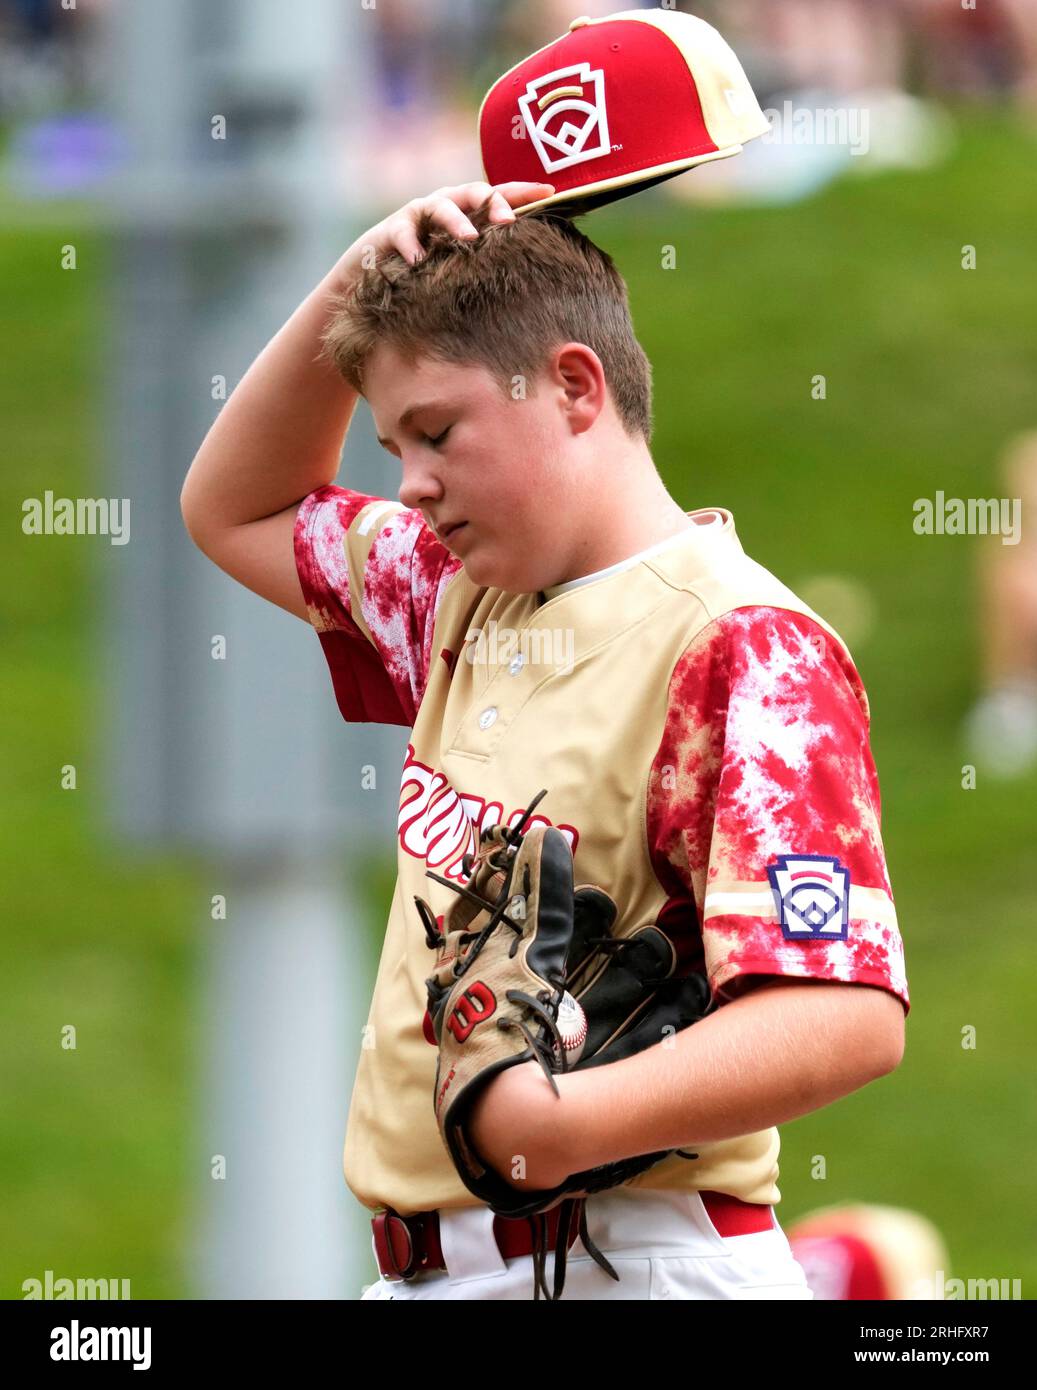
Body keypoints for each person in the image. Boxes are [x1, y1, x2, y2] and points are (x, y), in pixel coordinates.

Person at [180, 180, 910, 1301]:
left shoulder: (740, 641)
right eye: (390, 442)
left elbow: (844, 1012)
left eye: (435, 431)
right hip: (434, 1267)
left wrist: (561, 1122)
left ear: (573, 385)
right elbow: (232, 505)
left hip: (631, 1253)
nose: (409, 482)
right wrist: (355, 277)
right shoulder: (456, 595)